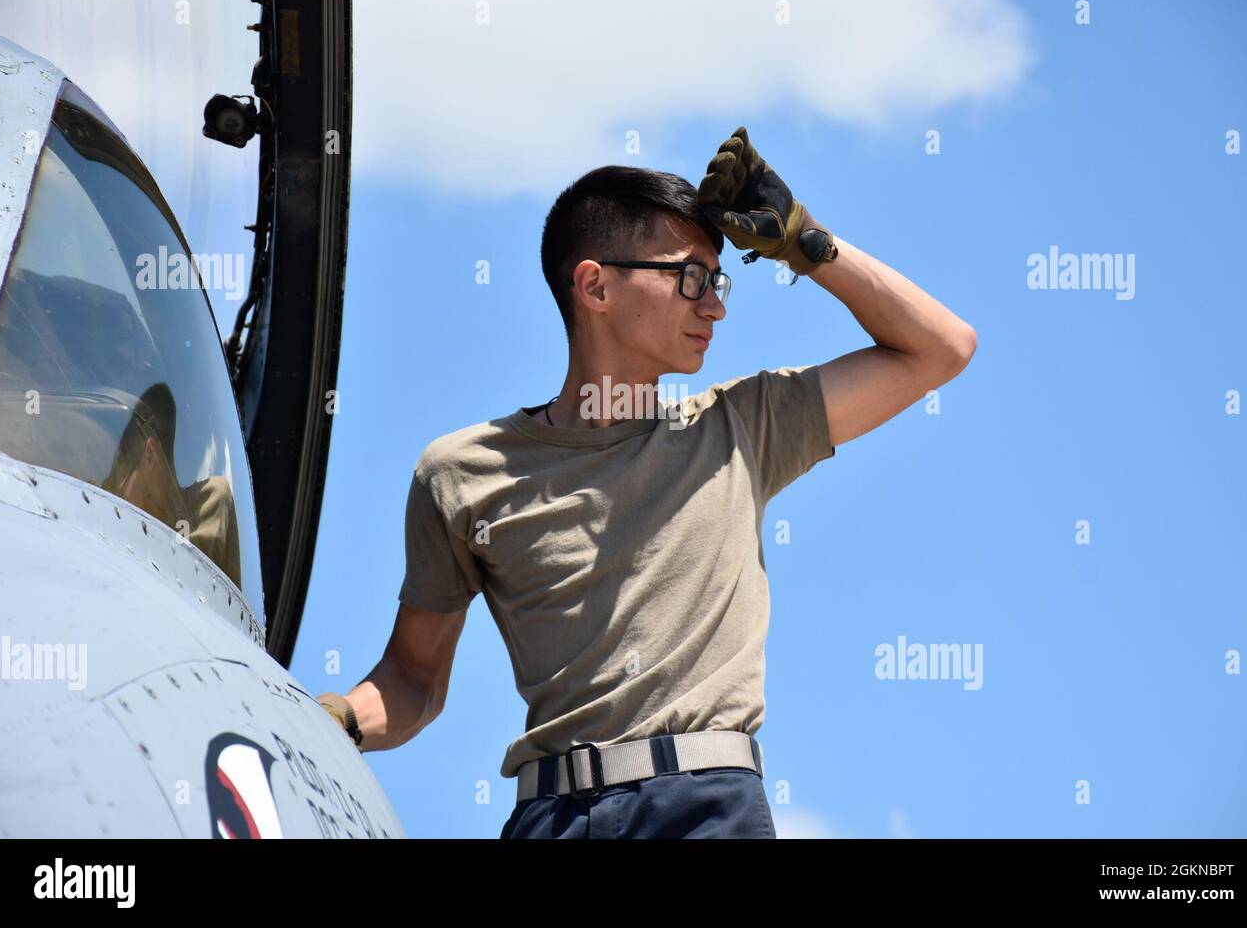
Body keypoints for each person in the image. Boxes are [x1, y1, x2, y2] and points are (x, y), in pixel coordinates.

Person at [318, 125, 977, 838]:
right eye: (690, 277)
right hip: (549, 819)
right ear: (595, 285)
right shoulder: (461, 475)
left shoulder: (741, 427)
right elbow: (412, 680)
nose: (714, 306)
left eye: (717, 281)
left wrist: (804, 242)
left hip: (706, 810)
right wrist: (339, 718)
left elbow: (940, 348)